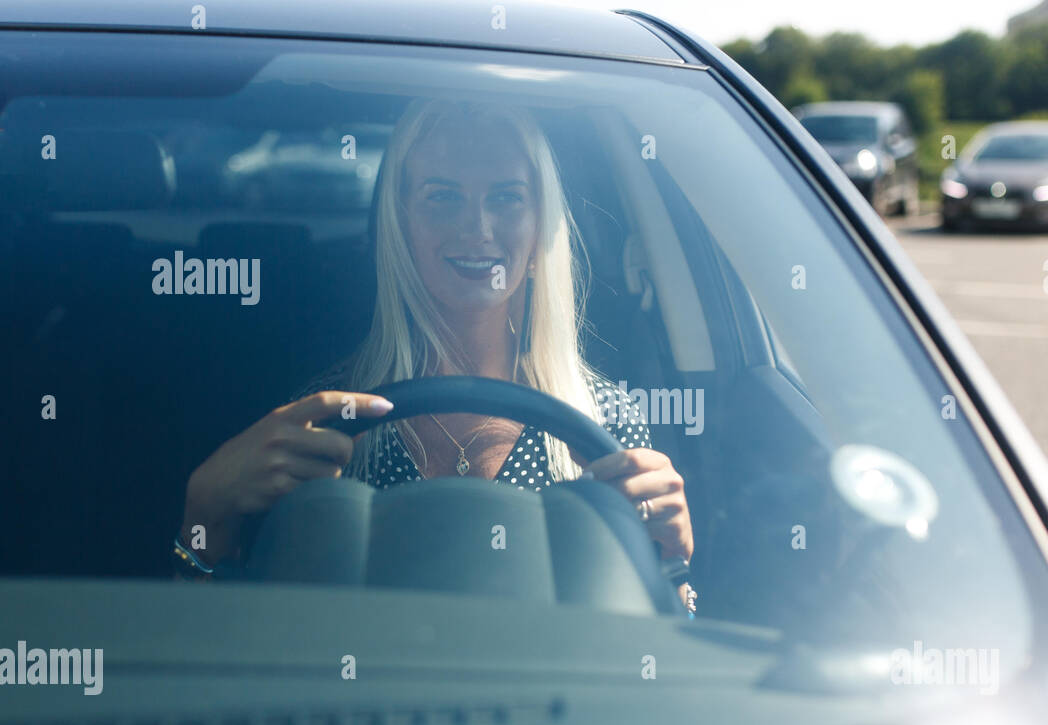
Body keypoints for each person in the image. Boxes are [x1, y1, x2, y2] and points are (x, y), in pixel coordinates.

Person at [173, 98, 695, 607]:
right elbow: (238, 637)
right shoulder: (327, 418)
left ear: (540, 229)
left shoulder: (604, 422)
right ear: (400, 225)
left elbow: (659, 653)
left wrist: (674, 567)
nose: (477, 230)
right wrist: (205, 510)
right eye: (443, 197)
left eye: (507, 198)